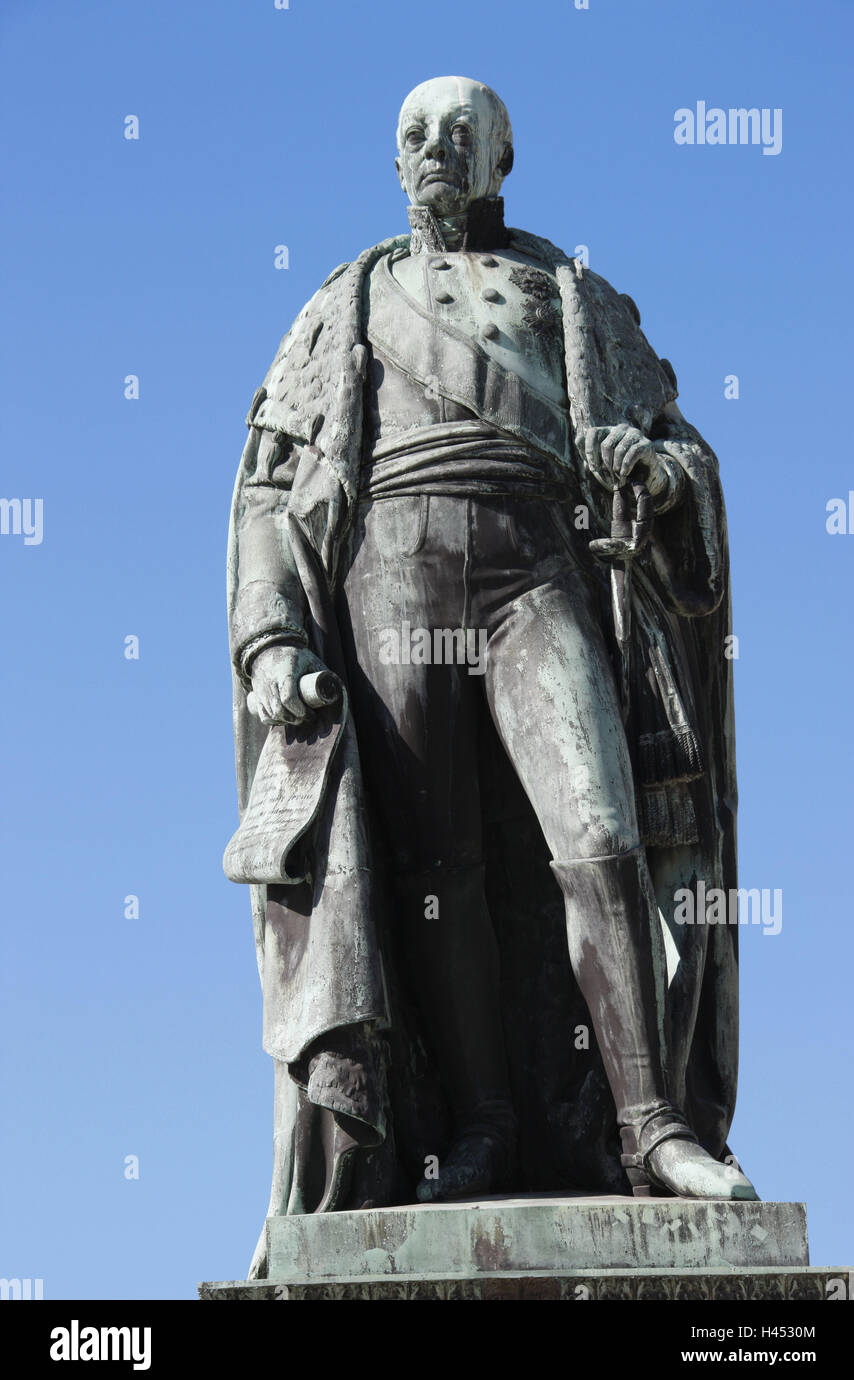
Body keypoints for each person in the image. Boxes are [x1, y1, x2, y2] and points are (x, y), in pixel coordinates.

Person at [226, 75, 756, 1276]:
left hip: (536, 564)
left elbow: (676, 446)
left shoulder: (576, 300)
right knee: (435, 867)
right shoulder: (342, 304)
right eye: (412, 137)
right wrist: (271, 637)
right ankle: (473, 1126)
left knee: (599, 833)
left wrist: (659, 477)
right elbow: (269, 485)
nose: (432, 153)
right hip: (389, 569)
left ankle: (649, 1126)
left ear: (502, 158)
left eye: (458, 136)